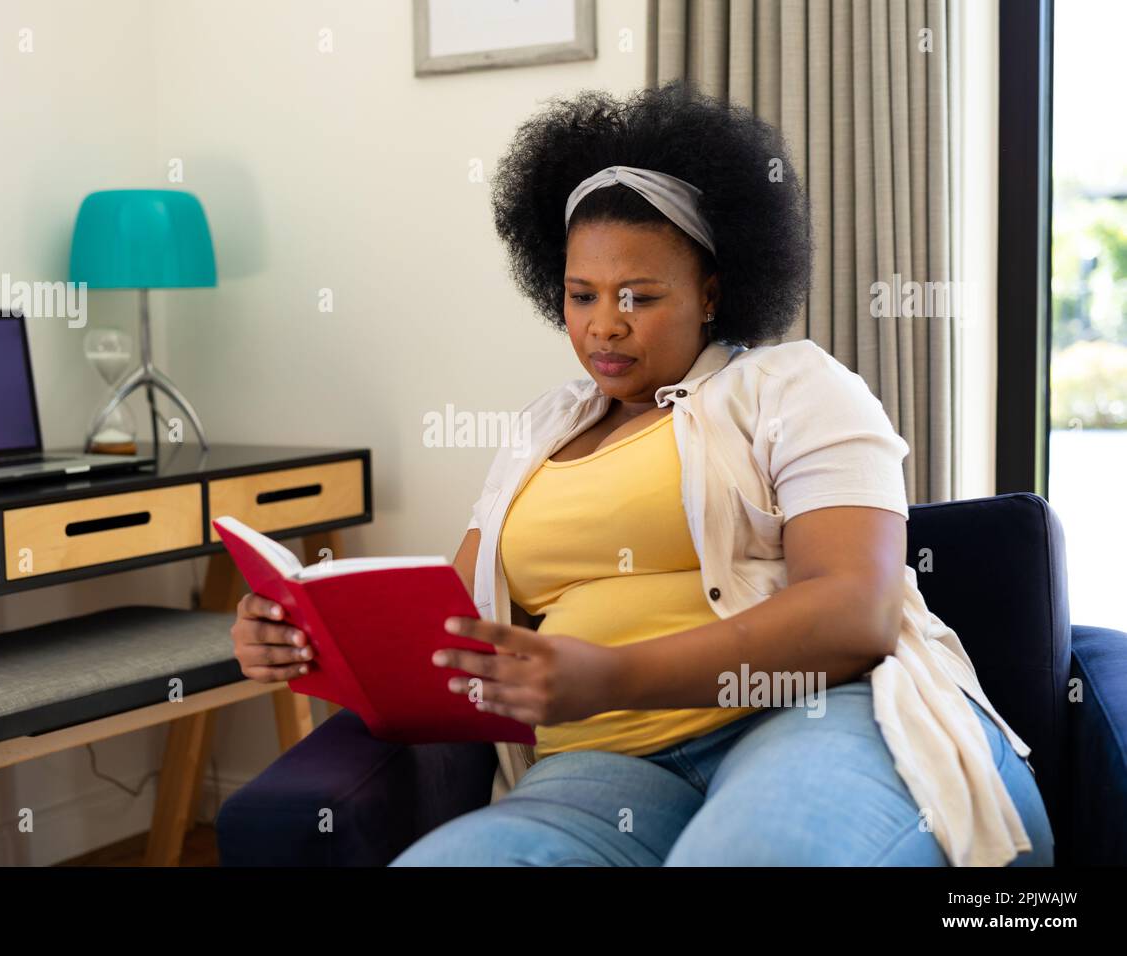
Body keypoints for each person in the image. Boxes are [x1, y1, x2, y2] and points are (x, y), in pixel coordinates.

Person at [230, 80, 1054, 866]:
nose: (604, 327)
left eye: (639, 295)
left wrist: (612, 676)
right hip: (596, 770)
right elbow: (446, 645)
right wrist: (311, 644)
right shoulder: (537, 436)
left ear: (711, 292)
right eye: (581, 295)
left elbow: (854, 612)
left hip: (804, 720)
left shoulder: (793, 386)